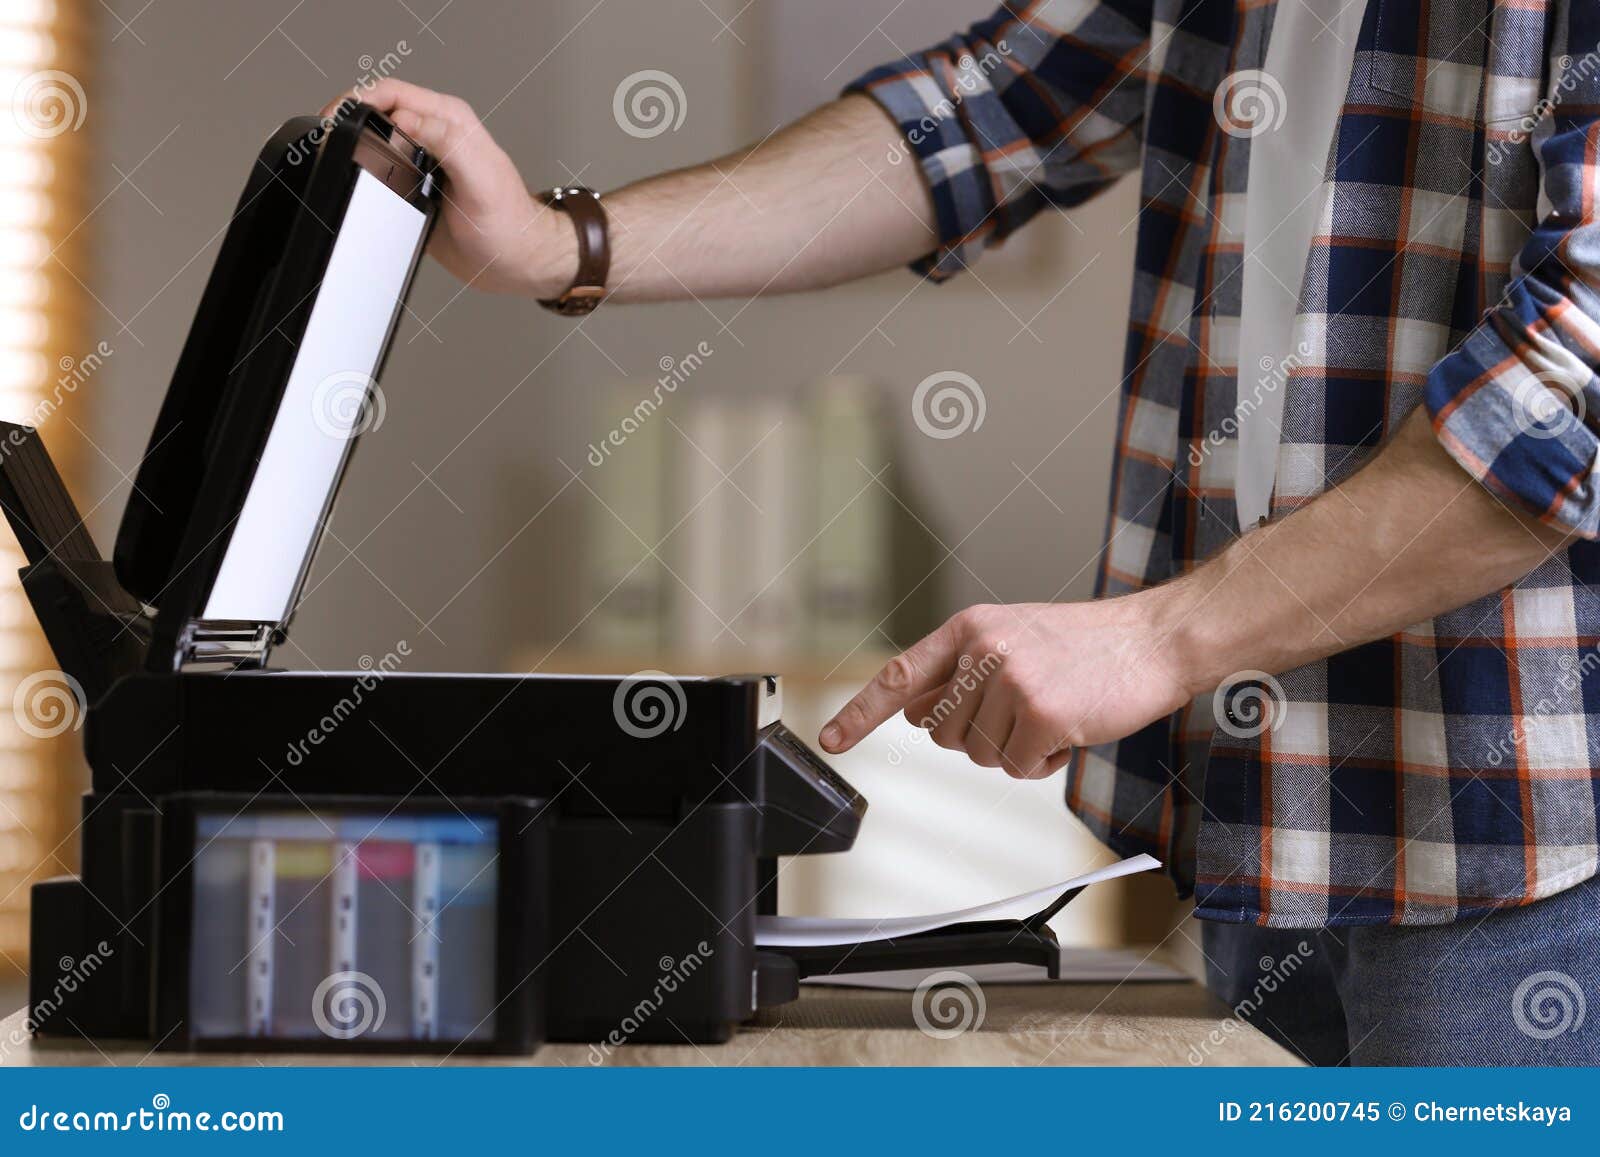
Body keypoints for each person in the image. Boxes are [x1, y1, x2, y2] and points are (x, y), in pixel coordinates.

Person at [326, 0, 1600, 1065]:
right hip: (1261, 812)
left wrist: (1159, 637)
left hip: (1525, 858)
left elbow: (1568, 392)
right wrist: (562, 243)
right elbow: (988, 110)